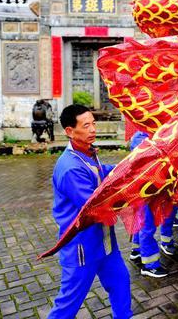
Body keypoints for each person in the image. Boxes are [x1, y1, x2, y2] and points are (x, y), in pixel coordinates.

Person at [48, 104, 131, 319]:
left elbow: (102, 172)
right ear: (69, 131)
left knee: (121, 283)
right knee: (68, 304)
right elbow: (95, 206)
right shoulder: (70, 167)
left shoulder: (87, 152)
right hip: (82, 248)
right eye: (86, 126)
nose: (93, 129)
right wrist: (132, 191)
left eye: (93, 123)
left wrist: (128, 166)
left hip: (105, 243)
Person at [128, 131, 169, 278]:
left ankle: (136, 251)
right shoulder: (143, 137)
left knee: (141, 221)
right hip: (146, 187)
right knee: (147, 224)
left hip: (144, 187)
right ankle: (150, 265)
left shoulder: (142, 134)